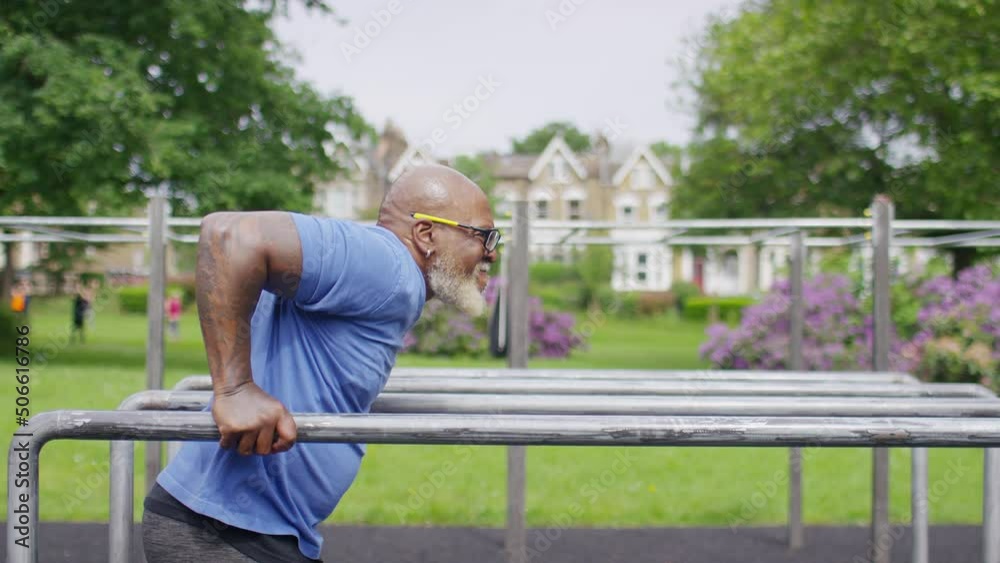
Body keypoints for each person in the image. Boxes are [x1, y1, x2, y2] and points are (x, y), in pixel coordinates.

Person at [142, 164, 500, 563]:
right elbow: (229, 235)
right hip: (225, 533)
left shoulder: (391, 276)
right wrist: (235, 389)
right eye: (482, 236)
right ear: (426, 234)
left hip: (249, 529)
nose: (492, 251)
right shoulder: (389, 265)